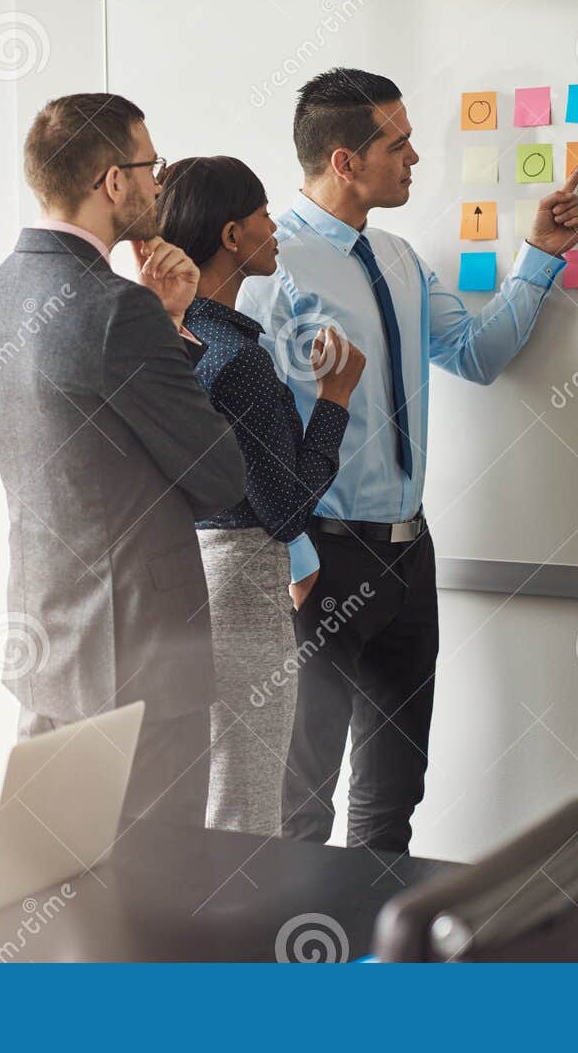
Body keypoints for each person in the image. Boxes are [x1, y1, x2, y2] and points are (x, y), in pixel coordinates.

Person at [239, 67, 578, 853]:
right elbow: (247, 431)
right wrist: (293, 555)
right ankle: (292, 936)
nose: (415, 158)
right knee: (301, 802)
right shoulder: (271, 268)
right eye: (397, 145)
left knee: (392, 796)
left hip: (406, 557)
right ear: (344, 161)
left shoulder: (397, 258)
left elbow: (475, 354)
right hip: (319, 561)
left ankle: (374, 935)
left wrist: (539, 255)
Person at [0, 93, 246, 828]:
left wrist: (167, 323)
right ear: (113, 181)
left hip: (49, 645)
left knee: (54, 869)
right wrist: (169, 327)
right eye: (152, 166)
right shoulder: (119, 309)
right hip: (139, 657)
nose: (159, 183)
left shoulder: (0, 290)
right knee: (156, 879)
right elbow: (220, 476)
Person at [155, 156, 365, 835]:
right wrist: (335, 398)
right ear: (232, 236)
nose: (275, 229)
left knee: (209, 796)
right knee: (246, 808)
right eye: (264, 216)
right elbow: (287, 508)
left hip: (185, 578)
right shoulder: (239, 359)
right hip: (243, 587)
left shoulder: (174, 341)